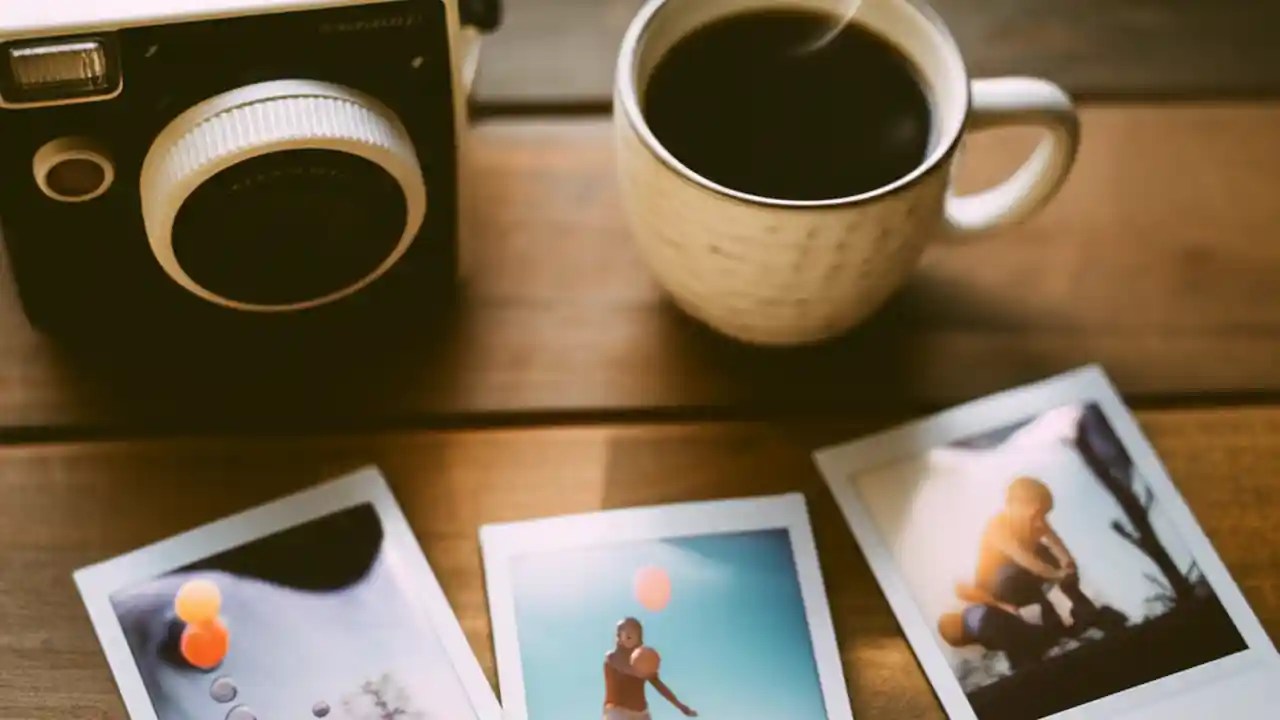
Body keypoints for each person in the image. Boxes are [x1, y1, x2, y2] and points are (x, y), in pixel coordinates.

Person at [974, 476, 1124, 636]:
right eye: (1035, 515)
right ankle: (1052, 626)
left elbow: (1057, 545)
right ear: (1013, 506)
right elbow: (1024, 558)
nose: (1040, 522)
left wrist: (1068, 565)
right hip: (996, 589)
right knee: (1016, 572)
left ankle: (1086, 612)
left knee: (1047, 554)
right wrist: (1056, 574)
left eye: (1043, 515)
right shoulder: (997, 527)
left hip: (1024, 574)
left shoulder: (1037, 522)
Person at [604, 617, 697, 719]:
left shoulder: (644, 658)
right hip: (617, 711)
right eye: (623, 631)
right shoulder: (612, 656)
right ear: (619, 636)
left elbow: (659, 686)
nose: (628, 634)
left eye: (632, 631)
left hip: (641, 712)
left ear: (639, 636)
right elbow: (622, 666)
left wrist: (681, 706)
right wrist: (643, 671)